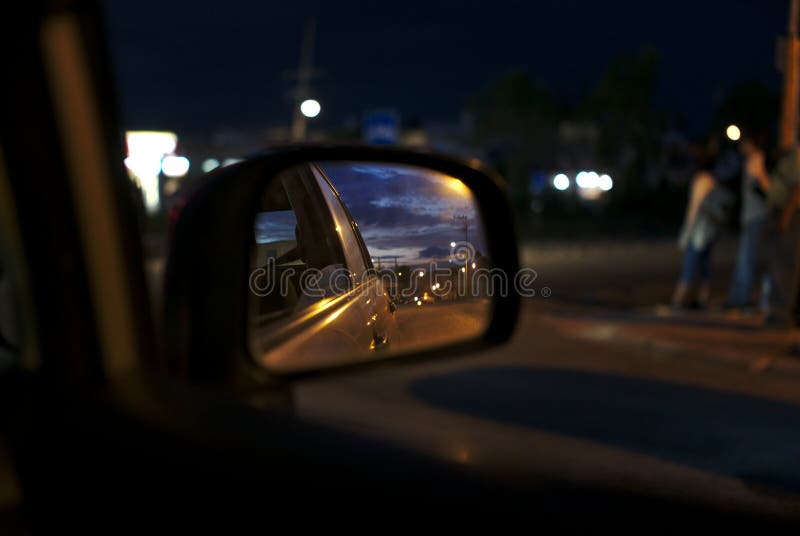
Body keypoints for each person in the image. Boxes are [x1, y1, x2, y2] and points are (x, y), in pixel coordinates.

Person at [672, 147, 732, 309]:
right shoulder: (713, 181)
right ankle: (702, 297)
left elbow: (694, 206)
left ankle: (679, 298)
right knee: (705, 265)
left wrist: (687, 229)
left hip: (698, 230)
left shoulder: (701, 180)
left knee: (690, 262)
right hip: (709, 230)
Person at [725, 134, 770, 310]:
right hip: (753, 215)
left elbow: (757, 184)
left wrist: (770, 201)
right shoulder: (753, 159)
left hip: (755, 215)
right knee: (748, 257)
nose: (741, 146)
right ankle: (742, 297)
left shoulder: (755, 159)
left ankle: (743, 298)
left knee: (748, 257)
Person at [761, 146, 800, 327]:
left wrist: (785, 217)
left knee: (784, 264)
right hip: (787, 213)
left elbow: (796, 188)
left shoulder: (797, 155)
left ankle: (780, 315)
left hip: (790, 215)